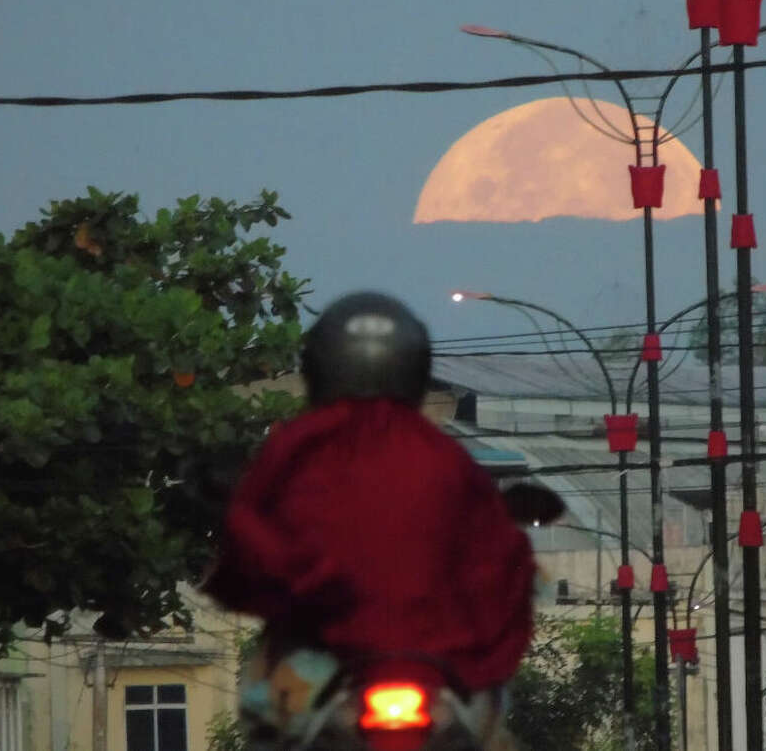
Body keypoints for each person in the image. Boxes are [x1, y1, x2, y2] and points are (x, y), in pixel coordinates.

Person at [202, 291, 535, 745]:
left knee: (266, 723)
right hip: (439, 670)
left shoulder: (294, 447)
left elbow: (249, 542)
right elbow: (503, 564)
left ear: (318, 367)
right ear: (415, 368)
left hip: (326, 662)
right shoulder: (447, 458)